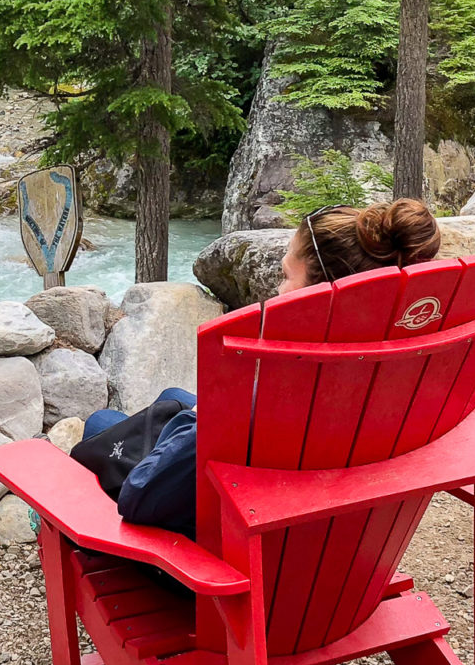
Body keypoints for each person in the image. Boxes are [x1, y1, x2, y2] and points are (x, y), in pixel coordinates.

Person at [71, 199, 443, 536]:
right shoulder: (394, 379)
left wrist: (208, 413)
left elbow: (138, 497)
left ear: (319, 296)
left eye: (286, 276)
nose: (278, 291)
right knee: (169, 401)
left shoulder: (270, 391)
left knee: (100, 424)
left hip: (224, 568)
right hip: (329, 544)